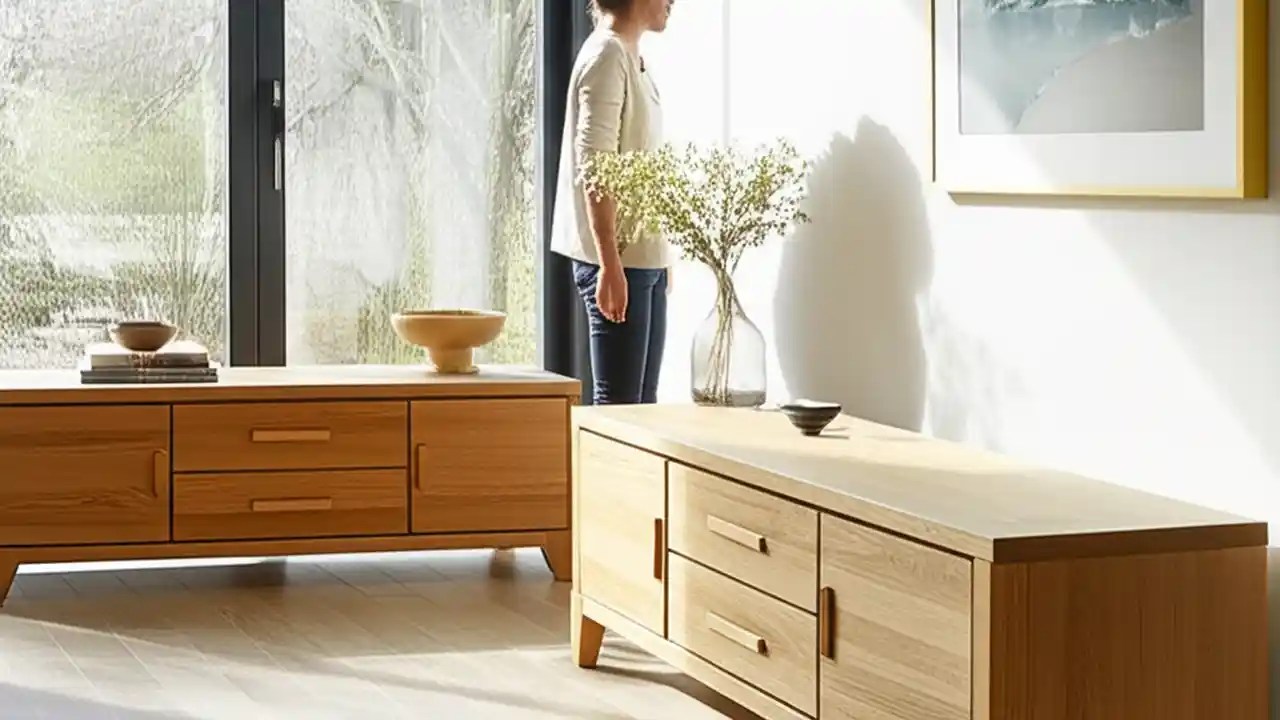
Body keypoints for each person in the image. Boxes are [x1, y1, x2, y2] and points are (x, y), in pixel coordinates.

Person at [551, 0, 674, 405]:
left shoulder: (631, 58)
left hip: (644, 260)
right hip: (619, 260)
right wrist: (609, 262)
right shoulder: (606, 55)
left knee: (643, 412)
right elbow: (596, 166)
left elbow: (640, 163)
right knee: (620, 413)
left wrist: (662, 257)